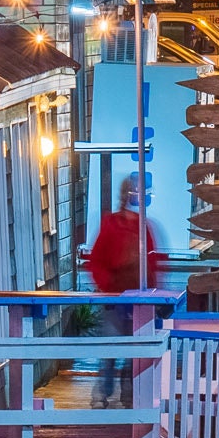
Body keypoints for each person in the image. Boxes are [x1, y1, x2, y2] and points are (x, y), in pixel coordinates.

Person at [85, 172, 165, 408]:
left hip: (138, 299)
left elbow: (152, 263)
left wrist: (154, 294)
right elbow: (97, 261)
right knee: (110, 348)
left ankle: (130, 396)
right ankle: (101, 394)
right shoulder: (111, 224)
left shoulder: (143, 227)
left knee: (134, 353)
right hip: (114, 297)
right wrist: (107, 286)